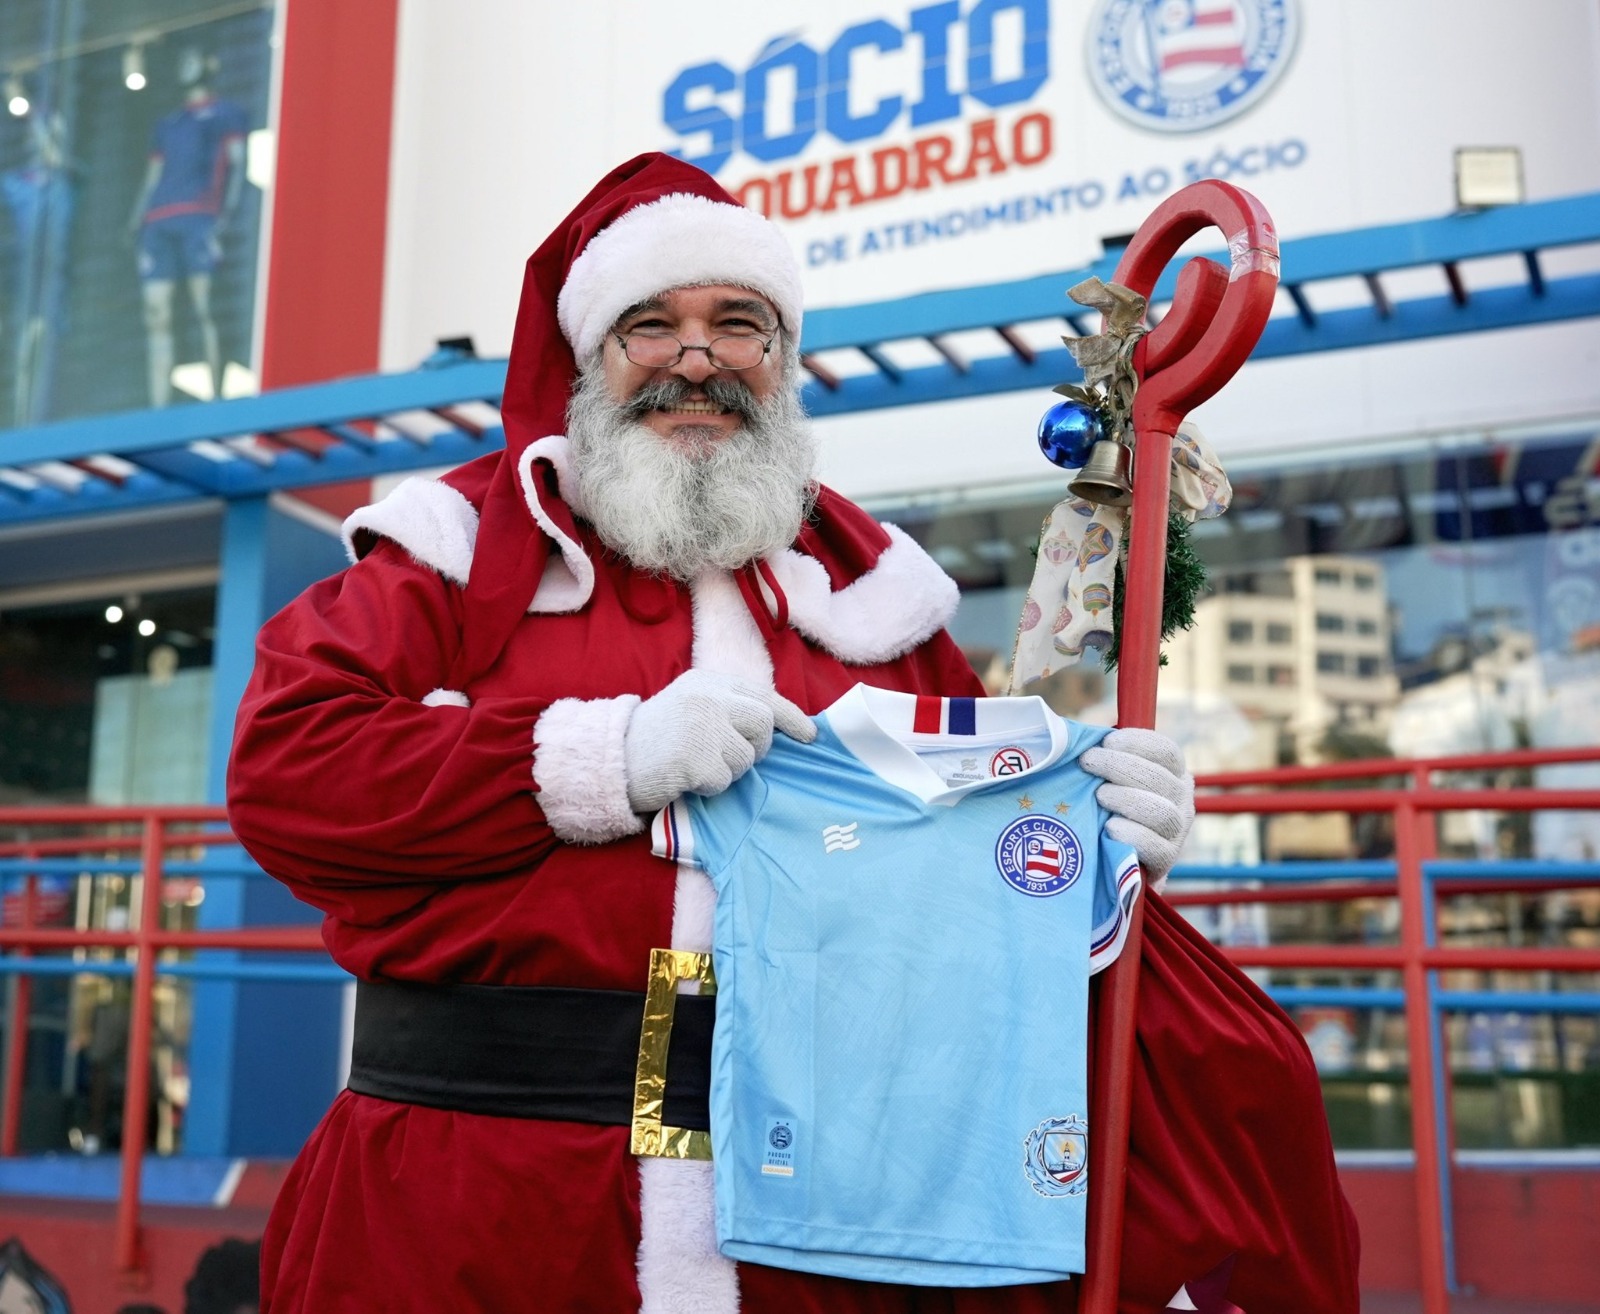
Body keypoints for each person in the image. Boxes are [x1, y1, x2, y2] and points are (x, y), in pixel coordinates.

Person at [228, 155, 1353, 1312]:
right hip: (477, 1201)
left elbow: (962, 874)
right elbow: (289, 773)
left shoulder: (874, 592)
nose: (698, 358)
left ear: (785, 361)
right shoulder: (457, 550)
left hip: (821, 1222)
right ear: (590, 363)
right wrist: (598, 759)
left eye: (738, 325)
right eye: (650, 325)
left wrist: (1094, 846)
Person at [126, 45, 247, 407]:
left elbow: (238, 166)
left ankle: (216, 397)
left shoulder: (226, 113)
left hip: (200, 218)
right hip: (159, 221)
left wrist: (226, 216)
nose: (187, 63)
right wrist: (135, 222)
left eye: (194, 57)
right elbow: (152, 177)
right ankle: (156, 407)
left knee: (205, 307)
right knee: (156, 315)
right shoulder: (168, 123)